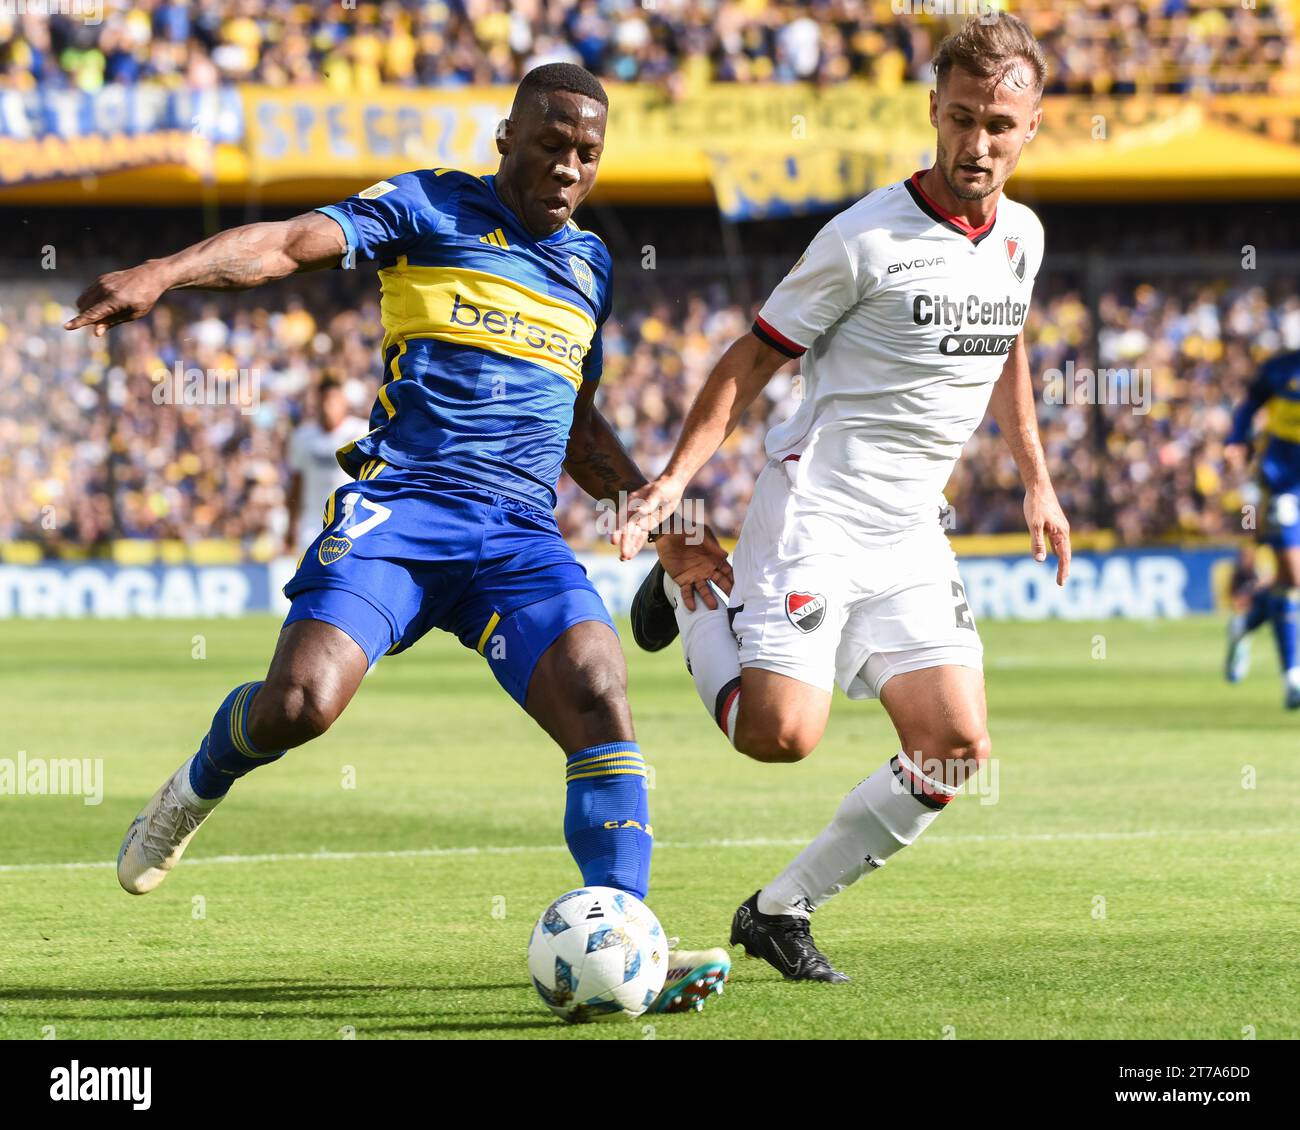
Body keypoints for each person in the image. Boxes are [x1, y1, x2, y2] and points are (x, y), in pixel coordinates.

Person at [65, 63, 731, 1014]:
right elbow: (291, 242)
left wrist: (661, 520)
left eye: (587, 154)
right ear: (506, 138)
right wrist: (166, 272)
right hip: (405, 510)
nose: (567, 167)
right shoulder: (427, 207)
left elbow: (579, 427)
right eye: (549, 144)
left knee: (598, 686)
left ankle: (626, 940)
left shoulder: (591, 268)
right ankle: (196, 784)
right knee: (299, 703)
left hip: (517, 535)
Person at [613, 15, 1072, 981]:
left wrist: (1037, 476)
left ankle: (780, 911)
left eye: (998, 124)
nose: (976, 143)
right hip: (817, 508)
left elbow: (1011, 345)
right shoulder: (863, 238)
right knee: (779, 736)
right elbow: (752, 356)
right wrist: (672, 485)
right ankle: (692, 596)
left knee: (955, 747)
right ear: (932, 112)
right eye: (959, 119)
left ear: (1032, 126)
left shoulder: (1022, 236)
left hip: (911, 528)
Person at [1224, 348, 1300, 707]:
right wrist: (1236, 441)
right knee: (1295, 579)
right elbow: (1249, 405)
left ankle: (1244, 625)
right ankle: (1293, 677)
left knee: (1287, 583)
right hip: (1282, 484)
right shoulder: (1281, 368)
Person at [285, 373, 370, 551]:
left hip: (350, 520)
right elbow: (297, 481)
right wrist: (291, 523)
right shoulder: (303, 436)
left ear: (344, 402)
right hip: (313, 522)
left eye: (332, 400)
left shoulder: (360, 432)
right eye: (323, 401)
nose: (327, 406)